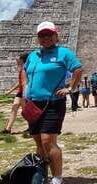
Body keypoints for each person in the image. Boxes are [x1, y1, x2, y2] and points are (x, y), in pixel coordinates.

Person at [21, 21, 82, 184]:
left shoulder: (64, 53)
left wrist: (70, 88)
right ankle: (41, 175)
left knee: (48, 140)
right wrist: (25, 89)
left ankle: (57, 178)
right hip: (33, 104)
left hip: (53, 104)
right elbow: (24, 71)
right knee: (38, 141)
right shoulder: (33, 55)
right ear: (38, 38)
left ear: (56, 36)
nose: (45, 38)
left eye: (49, 34)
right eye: (42, 35)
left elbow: (78, 68)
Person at [1, 53, 29, 134]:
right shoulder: (21, 69)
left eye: (19, 58)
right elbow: (19, 83)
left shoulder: (26, 69)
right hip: (19, 92)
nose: (16, 60)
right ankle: (8, 129)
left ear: (22, 60)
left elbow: (24, 83)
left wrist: (25, 94)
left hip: (24, 93)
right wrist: (9, 91)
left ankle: (31, 127)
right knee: (14, 108)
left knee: (25, 111)